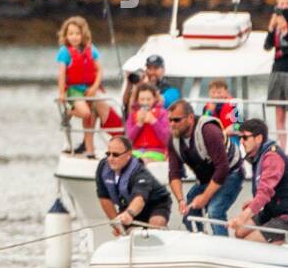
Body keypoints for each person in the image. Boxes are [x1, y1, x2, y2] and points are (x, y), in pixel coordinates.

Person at [168, 99, 243, 237]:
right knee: (188, 211)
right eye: (170, 120)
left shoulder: (209, 130)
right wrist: (181, 200)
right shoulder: (173, 139)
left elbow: (222, 168)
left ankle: (223, 246)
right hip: (208, 177)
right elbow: (174, 174)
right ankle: (201, 240)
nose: (172, 124)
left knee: (214, 210)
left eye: (177, 120)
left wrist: (205, 197)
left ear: (190, 118)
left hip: (232, 173)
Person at [96, 134, 173, 236]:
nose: (110, 158)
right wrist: (116, 224)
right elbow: (104, 198)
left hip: (155, 204)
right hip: (127, 205)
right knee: (128, 233)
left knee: (155, 228)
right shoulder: (103, 167)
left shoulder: (139, 171)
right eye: (108, 154)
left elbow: (139, 199)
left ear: (128, 155)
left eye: (115, 155)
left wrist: (129, 214)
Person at [57, 16, 111, 157]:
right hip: (74, 90)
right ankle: (68, 113)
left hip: (89, 88)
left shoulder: (91, 49)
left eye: (77, 33)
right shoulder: (64, 52)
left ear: (83, 34)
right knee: (85, 113)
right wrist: (62, 93)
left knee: (91, 117)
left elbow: (99, 70)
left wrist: (94, 87)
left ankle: (90, 150)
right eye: (71, 34)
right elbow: (62, 73)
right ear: (66, 35)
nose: (74, 37)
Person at [231, 119, 288, 243]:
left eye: (245, 137)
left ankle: (277, 241)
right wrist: (253, 202)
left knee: (251, 241)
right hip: (272, 209)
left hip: (285, 215)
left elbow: (265, 192)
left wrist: (243, 217)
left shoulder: (272, 157)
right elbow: (270, 190)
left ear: (258, 138)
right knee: (239, 232)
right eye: (240, 138)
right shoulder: (258, 156)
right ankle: (272, 241)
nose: (241, 141)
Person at [124, 83, 169, 161]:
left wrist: (154, 121)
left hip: (156, 152)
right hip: (136, 152)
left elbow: (166, 138)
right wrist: (139, 124)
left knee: (142, 162)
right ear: (138, 100)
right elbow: (129, 139)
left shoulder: (163, 113)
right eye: (142, 99)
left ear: (154, 99)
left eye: (148, 99)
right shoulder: (133, 115)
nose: (145, 102)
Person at [266, 0, 288, 145]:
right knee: (279, 113)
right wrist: (271, 29)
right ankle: (282, 146)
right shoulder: (277, 25)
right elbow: (267, 46)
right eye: (281, 4)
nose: (284, 8)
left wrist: (286, 31)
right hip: (277, 70)